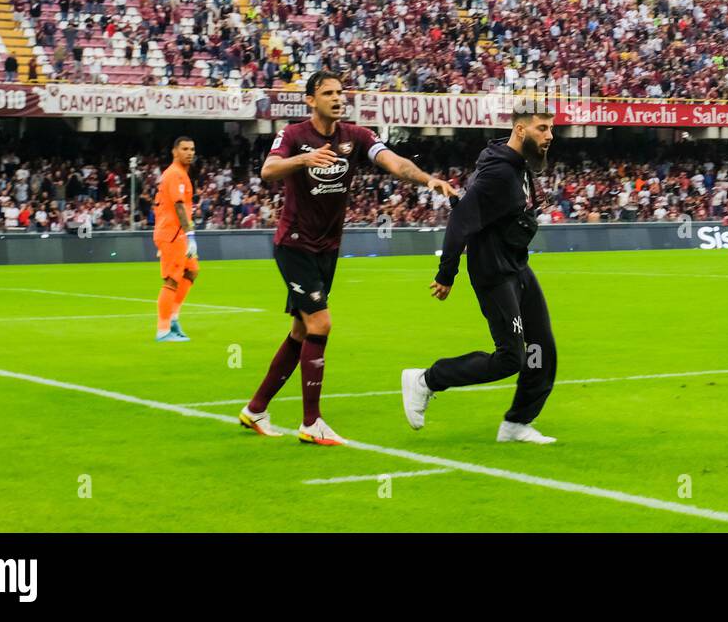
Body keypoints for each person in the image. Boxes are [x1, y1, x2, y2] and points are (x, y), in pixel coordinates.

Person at [239, 70, 457, 445]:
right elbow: (268, 170)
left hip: (327, 248)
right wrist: (303, 162)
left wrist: (426, 180)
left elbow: (393, 161)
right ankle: (311, 423)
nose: (338, 98)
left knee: (301, 331)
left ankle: (256, 408)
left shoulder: (355, 136)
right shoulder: (293, 135)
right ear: (311, 100)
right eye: (328, 93)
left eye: (341, 92)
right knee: (321, 323)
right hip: (294, 244)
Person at [401, 102, 559, 444]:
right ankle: (426, 380)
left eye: (551, 128)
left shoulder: (517, 165)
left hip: (517, 266)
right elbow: (460, 219)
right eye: (542, 128)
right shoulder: (498, 173)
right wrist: (447, 274)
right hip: (494, 273)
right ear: (520, 129)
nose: (550, 135)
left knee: (542, 350)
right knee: (510, 357)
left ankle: (517, 423)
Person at [153, 136, 199, 341]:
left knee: (191, 271)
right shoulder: (174, 174)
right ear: (175, 152)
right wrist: (190, 234)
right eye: (185, 149)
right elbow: (179, 205)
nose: (189, 152)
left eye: (192, 149)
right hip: (172, 233)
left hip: (179, 233)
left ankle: (173, 318)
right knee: (172, 279)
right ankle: (163, 330)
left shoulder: (181, 174)